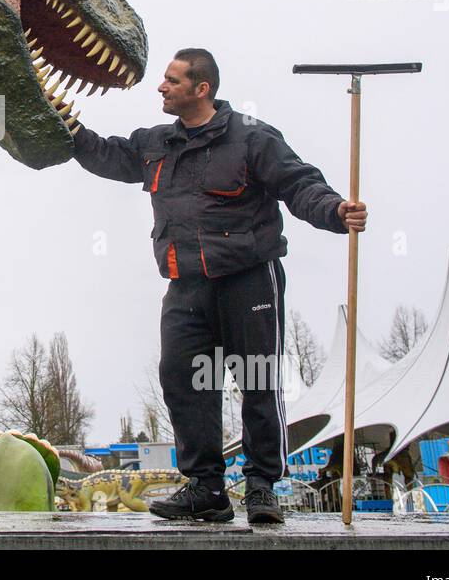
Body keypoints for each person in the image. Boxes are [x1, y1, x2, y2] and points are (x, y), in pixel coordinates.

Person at [71, 48, 366, 523]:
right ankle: (206, 488)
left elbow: (298, 184)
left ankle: (263, 485)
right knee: (181, 379)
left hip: (248, 278)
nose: (161, 87)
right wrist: (66, 128)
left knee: (256, 378)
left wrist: (334, 211)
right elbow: (106, 155)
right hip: (185, 284)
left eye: (171, 80)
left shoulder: (252, 138)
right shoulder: (156, 144)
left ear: (201, 88)